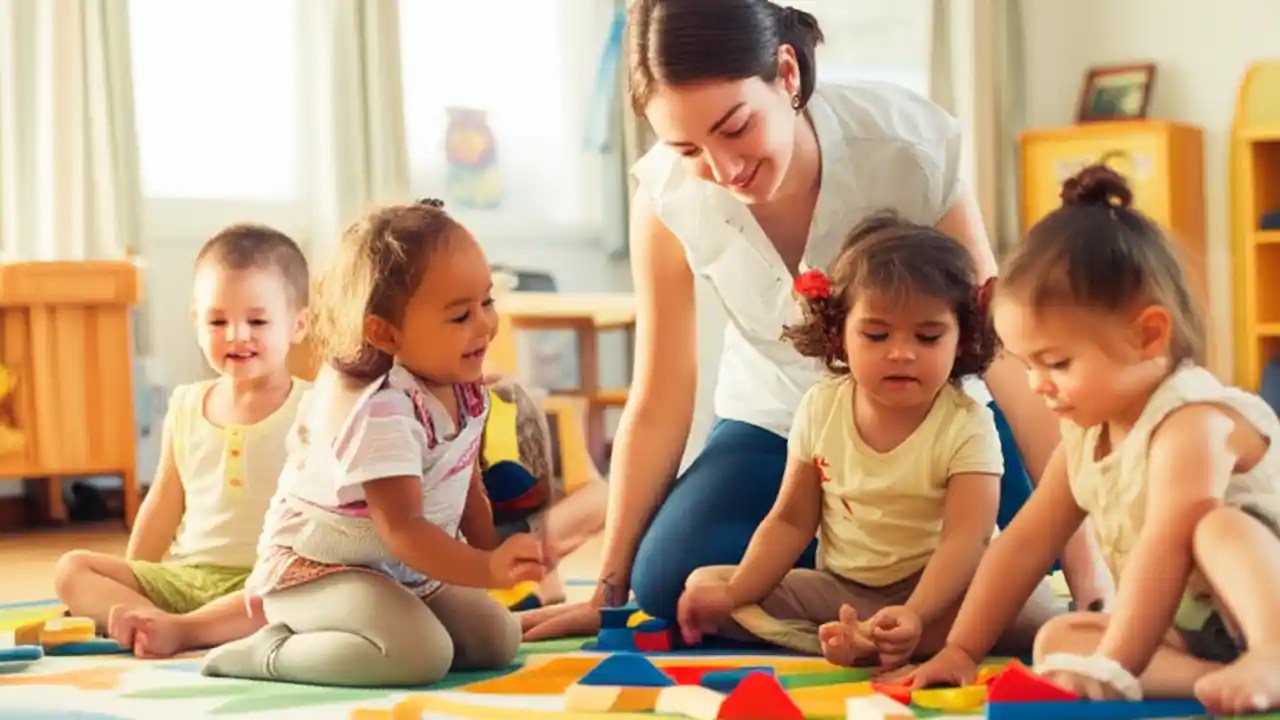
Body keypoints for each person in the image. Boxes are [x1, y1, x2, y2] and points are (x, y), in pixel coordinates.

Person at [521, 0, 1107, 641]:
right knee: (666, 581)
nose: (724, 169)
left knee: (1039, 541)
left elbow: (997, 348)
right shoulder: (666, 196)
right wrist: (609, 591)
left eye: (736, 127)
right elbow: (660, 394)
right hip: (782, 425)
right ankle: (916, 594)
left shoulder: (905, 146)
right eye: (688, 148)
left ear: (788, 74)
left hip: (932, 415)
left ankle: (895, 588)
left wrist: (1092, 581)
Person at [907, 166, 1280, 715]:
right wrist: (962, 648)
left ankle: (1272, 654)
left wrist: (1115, 663)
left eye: (1057, 363)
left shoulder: (1193, 421)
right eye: (1028, 363)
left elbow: (1168, 541)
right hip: (1199, 631)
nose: (1038, 385)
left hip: (1265, 605)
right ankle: (1221, 677)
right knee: (1057, 642)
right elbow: (1027, 541)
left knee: (1213, 524)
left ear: (1148, 335)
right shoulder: (1085, 435)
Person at [676, 214, 1061, 668]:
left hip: (945, 586)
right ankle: (866, 637)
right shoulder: (821, 407)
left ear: (961, 341)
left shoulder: (968, 423)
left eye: (928, 336)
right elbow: (790, 521)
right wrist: (736, 592)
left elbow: (967, 541)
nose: (901, 352)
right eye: (876, 334)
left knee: (1036, 611)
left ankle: (878, 641)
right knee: (705, 584)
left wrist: (915, 614)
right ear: (839, 335)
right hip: (847, 591)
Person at [200, 199, 542, 687]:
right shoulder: (384, 412)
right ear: (385, 332)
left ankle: (384, 621)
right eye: (459, 315)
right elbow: (402, 527)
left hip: (399, 570)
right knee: (418, 656)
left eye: (486, 302)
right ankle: (269, 651)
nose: (485, 325)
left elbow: (463, 480)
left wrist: (501, 545)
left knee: (497, 640)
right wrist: (487, 567)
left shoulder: (466, 391)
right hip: (320, 571)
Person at [53, 225, 310, 641]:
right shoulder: (188, 404)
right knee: (72, 569)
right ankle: (153, 622)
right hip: (187, 578)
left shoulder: (314, 407)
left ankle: (181, 630)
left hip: (264, 583)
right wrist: (135, 575)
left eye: (257, 320)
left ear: (298, 325)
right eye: (218, 320)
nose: (237, 335)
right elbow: (163, 504)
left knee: (300, 596)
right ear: (196, 321)